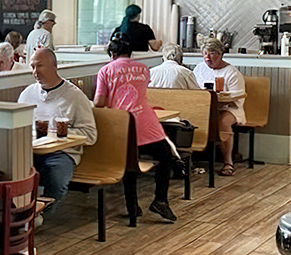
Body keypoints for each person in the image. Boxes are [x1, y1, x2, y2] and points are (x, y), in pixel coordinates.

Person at [95, 35, 176, 222]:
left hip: (123, 126)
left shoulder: (105, 70)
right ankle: (160, 199)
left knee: (129, 165)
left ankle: (133, 208)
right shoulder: (143, 68)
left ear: (112, 54)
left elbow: (99, 102)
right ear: (130, 52)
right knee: (165, 157)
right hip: (148, 123)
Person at [18, 48, 97, 212]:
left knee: (55, 179)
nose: (35, 72)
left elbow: (90, 135)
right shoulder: (27, 94)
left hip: (62, 153)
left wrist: (58, 133)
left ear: (54, 66)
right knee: (10, 171)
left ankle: (40, 216)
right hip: (30, 151)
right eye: (32, 67)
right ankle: (18, 215)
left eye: (40, 66)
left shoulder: (75, 96)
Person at [192, 36, 246, 176]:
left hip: (229, 108)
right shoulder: (199, 68)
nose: (207, 58)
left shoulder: (231, 72)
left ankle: (228, 162)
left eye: (211, 54)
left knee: (223, 122)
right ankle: (191, 159)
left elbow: (238, 96)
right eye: (205, 53)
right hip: (205, 106)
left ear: (220, 54)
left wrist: (222, 98)